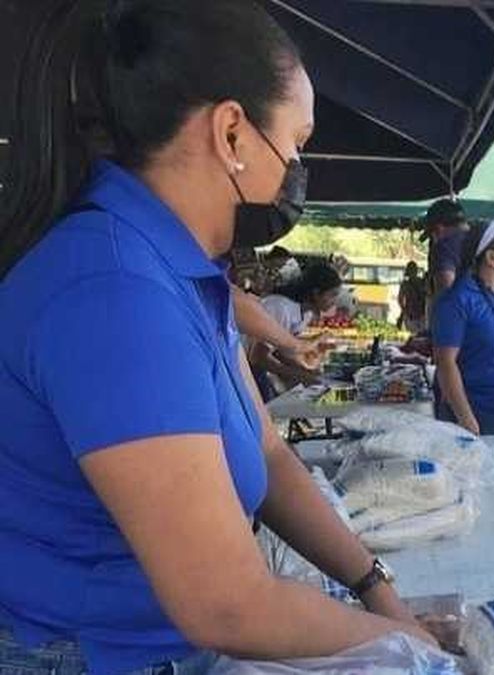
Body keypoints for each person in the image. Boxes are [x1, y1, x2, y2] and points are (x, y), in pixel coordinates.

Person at [0, 3, 434, 674]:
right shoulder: (115, 290)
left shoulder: (174, 264)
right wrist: (404, 646)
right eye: (297, 141)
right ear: (232, 131)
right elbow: (225, 603)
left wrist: (379, 592)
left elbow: (269, 452)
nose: (295, 165)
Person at [432, 221, 494, 453]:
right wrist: (467, 420)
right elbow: (446, 363)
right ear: (490, 257)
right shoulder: (457, 301)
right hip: (478, 414)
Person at [250, 262, 343, 399]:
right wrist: (299, 375)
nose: (335, 301)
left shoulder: (306, 314)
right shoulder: (280, 307)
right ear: (316, 293)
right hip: (244, 369)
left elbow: (280, 352)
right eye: (332, 295)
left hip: (257, 370)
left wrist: (306, 372)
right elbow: (258, 357)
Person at [398, 261, 427, 333]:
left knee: (414, 335)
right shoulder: (422, 282)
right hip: (421, 315)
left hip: (412, 315)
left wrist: (405, 312)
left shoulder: (405, 284)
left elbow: (400, 300)